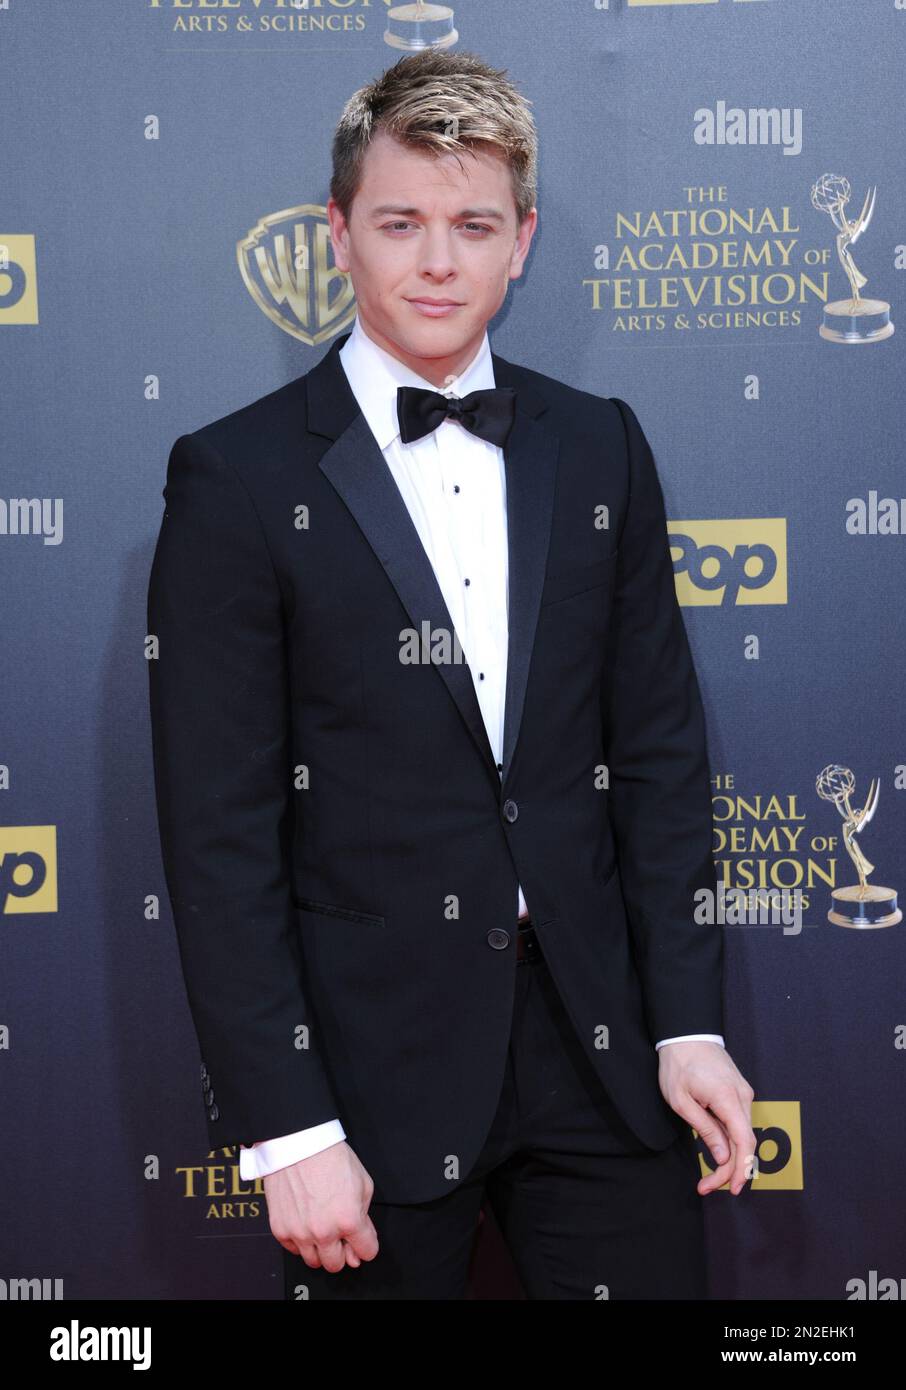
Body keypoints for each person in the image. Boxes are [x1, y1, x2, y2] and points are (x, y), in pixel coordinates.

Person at [147, 48, 755, 1301]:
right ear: (338, 234)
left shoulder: (601, 444)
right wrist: (289, 1128)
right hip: (367, 1073)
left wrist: (688, 1023)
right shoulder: (238, 479)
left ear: (521, 242)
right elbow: (219, 835)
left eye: (474, 225)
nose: (438, 261)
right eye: (400, 223)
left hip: (600, 1053)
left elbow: (657, 756)